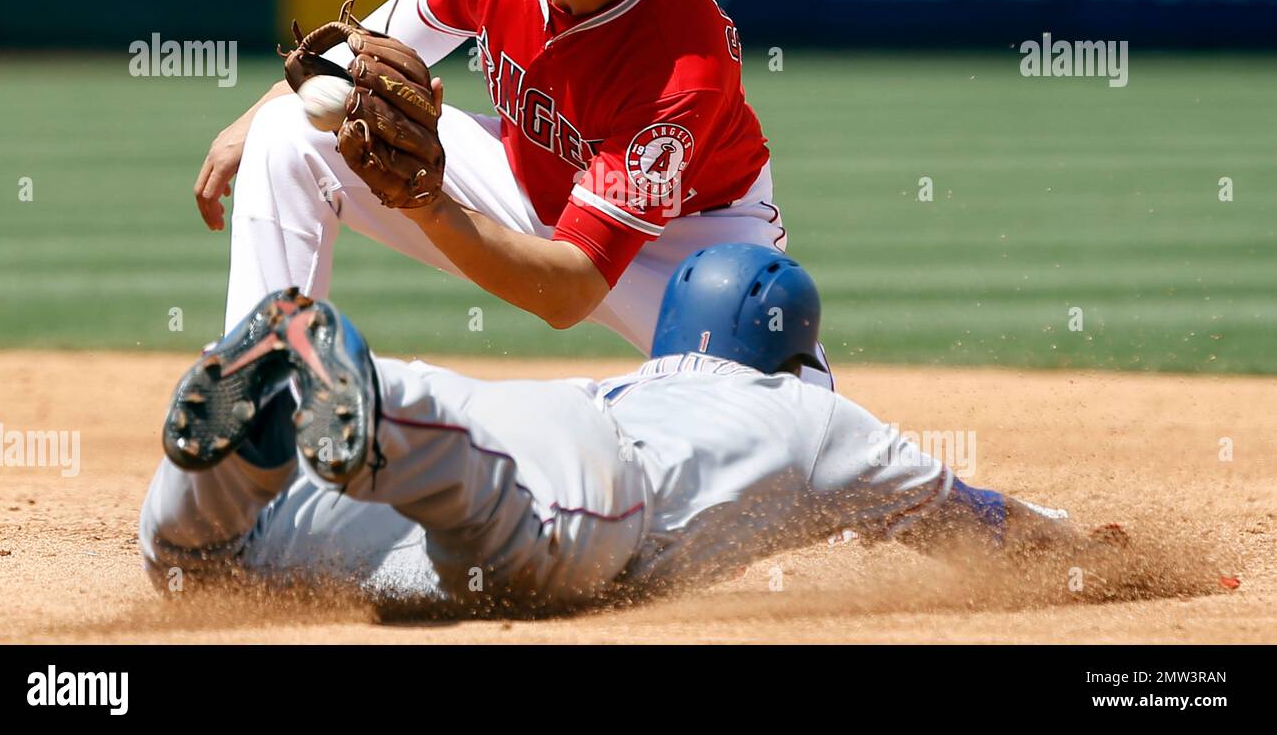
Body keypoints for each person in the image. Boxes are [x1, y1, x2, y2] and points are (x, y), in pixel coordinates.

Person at [192, 0, 833, 387]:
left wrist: (430, 204)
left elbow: (570, 290)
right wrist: (248, 122)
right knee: (288, 126)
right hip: (530, 179)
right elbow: (362, 51)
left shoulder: (679, 65)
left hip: (686, 245)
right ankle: (261, 393)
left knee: (793, 457)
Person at [139, 244, 1121, 612]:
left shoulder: (641, 380)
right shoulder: (820, 415)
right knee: (513, 522)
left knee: (205, 567)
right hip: (584, 483)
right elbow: (978, 522)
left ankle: (256, 442)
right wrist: (1108, 560)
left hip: (450, 488)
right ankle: (354, 376)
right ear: (795, 349)